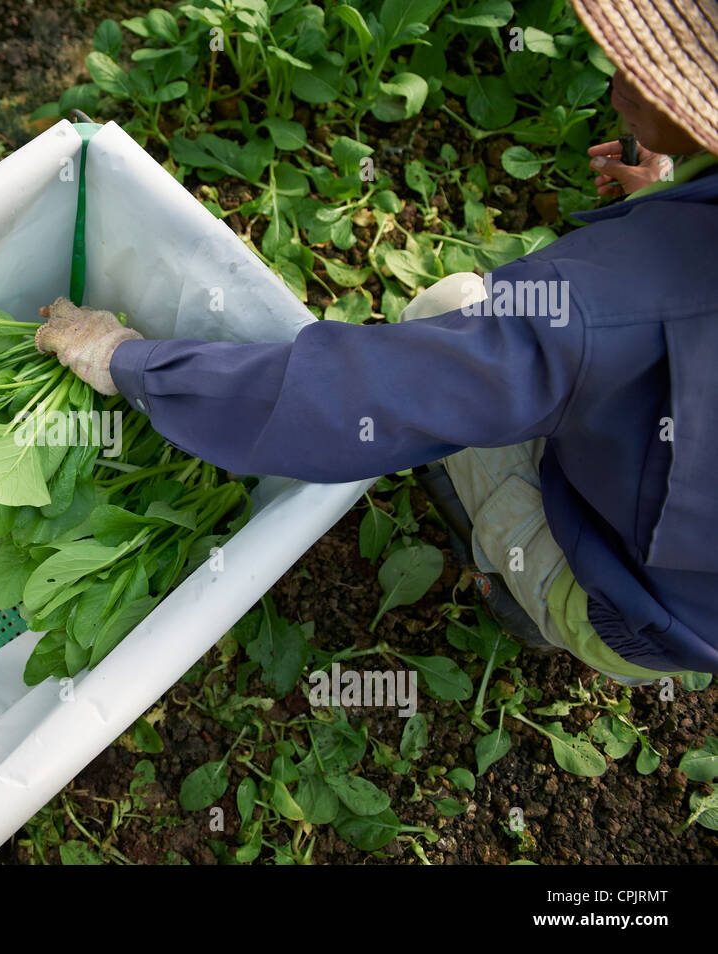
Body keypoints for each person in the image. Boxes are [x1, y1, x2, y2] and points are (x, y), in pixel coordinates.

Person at [35, 0, 718, 684]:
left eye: (650, 73)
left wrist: (127, 360)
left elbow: (367, 397)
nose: (618, 84)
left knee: (445, 309)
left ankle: (528, 593)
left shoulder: (603, 305)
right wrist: (677, 177)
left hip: (636, 616)